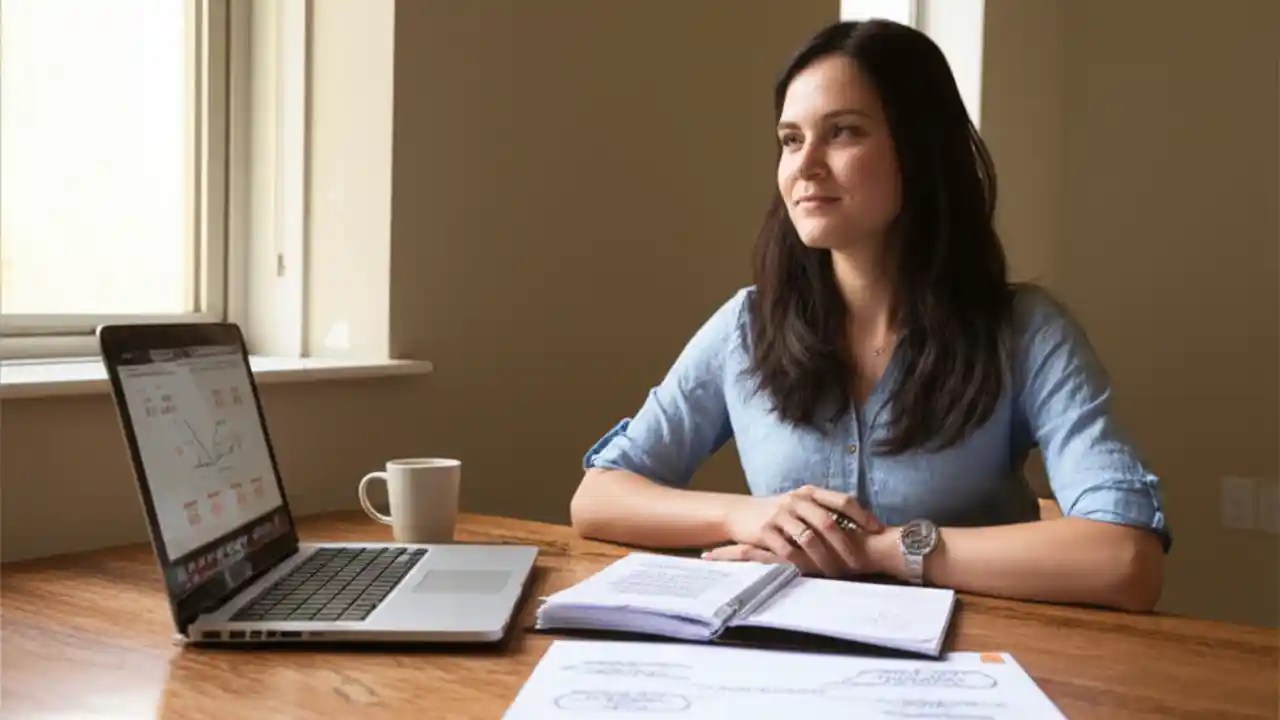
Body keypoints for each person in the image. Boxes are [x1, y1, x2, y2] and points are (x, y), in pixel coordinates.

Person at [569, 20, 1170, 612]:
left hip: (973, 675)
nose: (805, 166)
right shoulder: (746, 326)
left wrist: (884, 551)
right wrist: (745, 515)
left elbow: (1125, 559)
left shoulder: (1026, 331)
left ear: (918, 149)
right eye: (790, 139)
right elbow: (598, 498)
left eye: (844, 132)